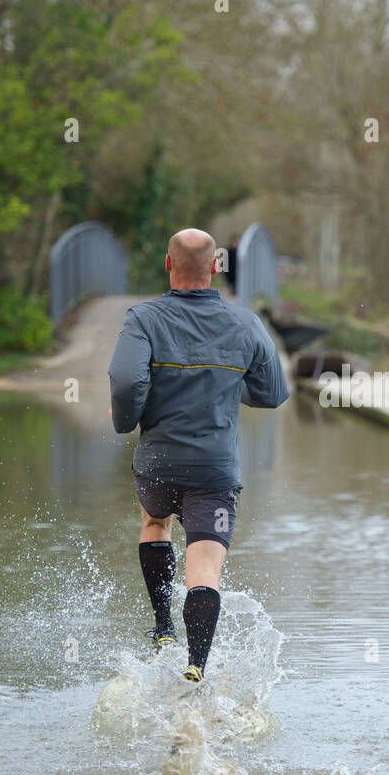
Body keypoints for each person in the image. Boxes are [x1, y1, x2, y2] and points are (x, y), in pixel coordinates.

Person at [108, 228, 289, 682]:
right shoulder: (246, 323)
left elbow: (128, 381)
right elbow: (273, 393)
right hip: (215, 469)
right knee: (204, 566)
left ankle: (164, 627)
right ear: (216, 268)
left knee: (155, 523)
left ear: (168, 265)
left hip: (157, 464)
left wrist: (124, 421)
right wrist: (223, 383)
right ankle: (196, 667)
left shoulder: (144, 318)